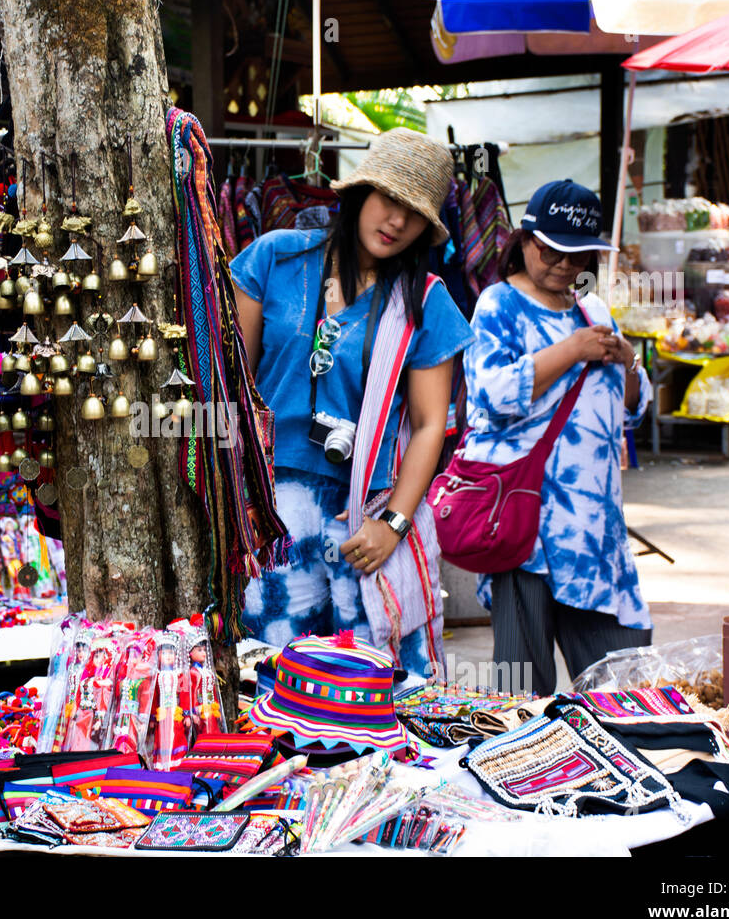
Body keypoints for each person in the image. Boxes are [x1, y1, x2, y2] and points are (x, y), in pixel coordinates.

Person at [231, 127, 473, 676]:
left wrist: (393, 522)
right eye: (389, 200)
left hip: (359, 514)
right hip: (270, 510)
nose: (396, 221)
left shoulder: (424, 303)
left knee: (367, 690)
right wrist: (237, 501)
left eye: (414, 213)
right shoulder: (276, 260)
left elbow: (432, 423)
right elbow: (234, 384)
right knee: (270, 677)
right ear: (359, 194)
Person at [461, 179, 653, 695]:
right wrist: (571, 351)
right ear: (525, 240)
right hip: (527, 531)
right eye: (553, 249)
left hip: (596, 534)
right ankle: (526, 774)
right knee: (521, 697)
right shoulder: (499, 305)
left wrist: (629, 363)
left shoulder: (594, 312)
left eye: (578, 253)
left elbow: (632, 413)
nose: (566, 265)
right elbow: (491, 392)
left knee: (625, 692)